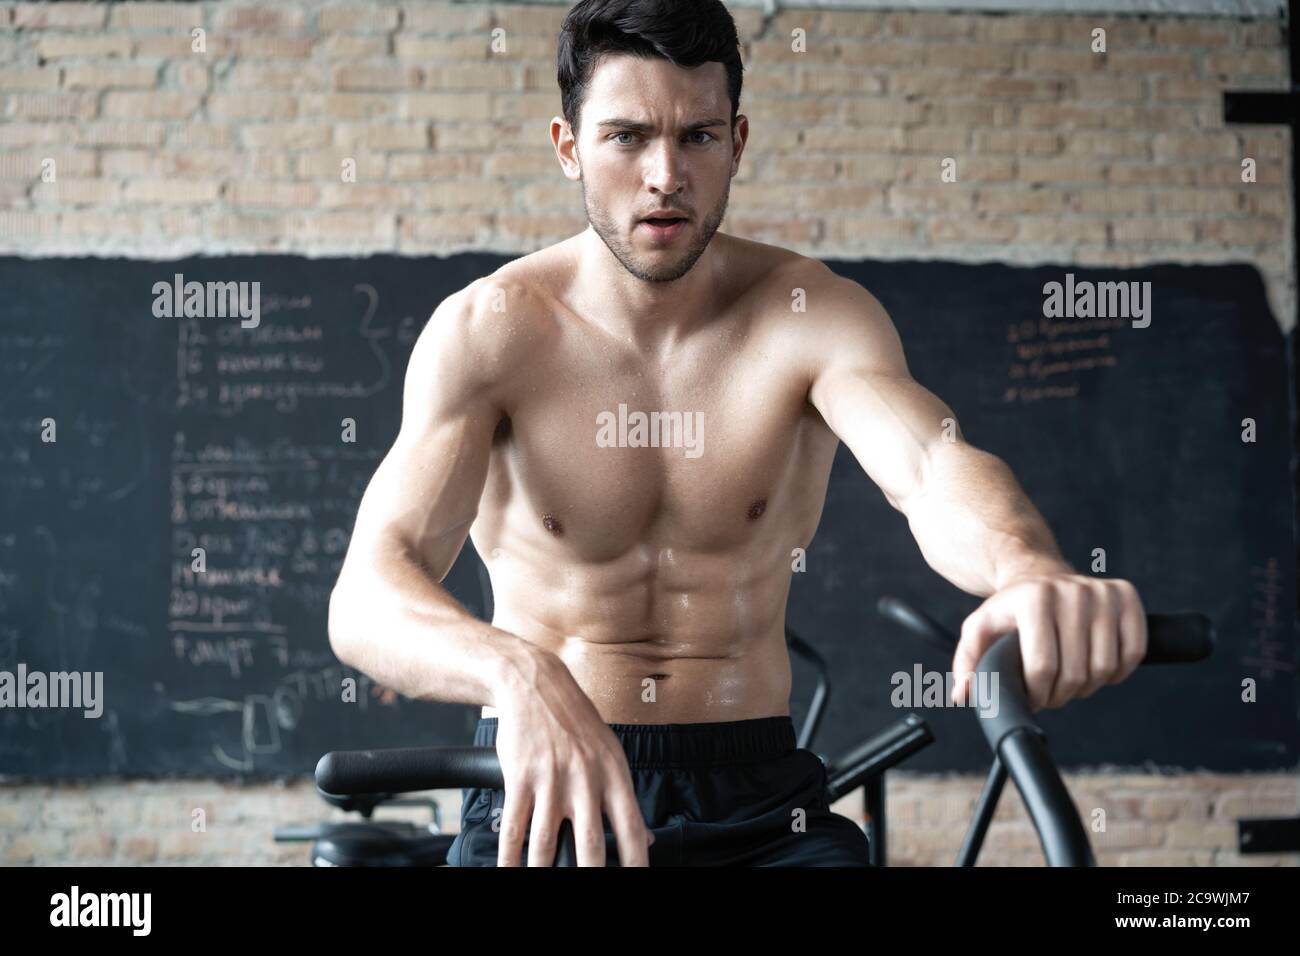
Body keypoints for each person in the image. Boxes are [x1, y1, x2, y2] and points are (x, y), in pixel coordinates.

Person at [328, 0, 1147, 867]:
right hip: (546, 794)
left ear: (739, 143)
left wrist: (1027, 570)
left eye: (699, 137)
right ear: (568, 147)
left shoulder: (811, 315)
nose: (666, 175)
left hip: (760, 801)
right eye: (627, 138)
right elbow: (368, 595)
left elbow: (932, 466)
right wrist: (515, 672)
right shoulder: (490, 330)